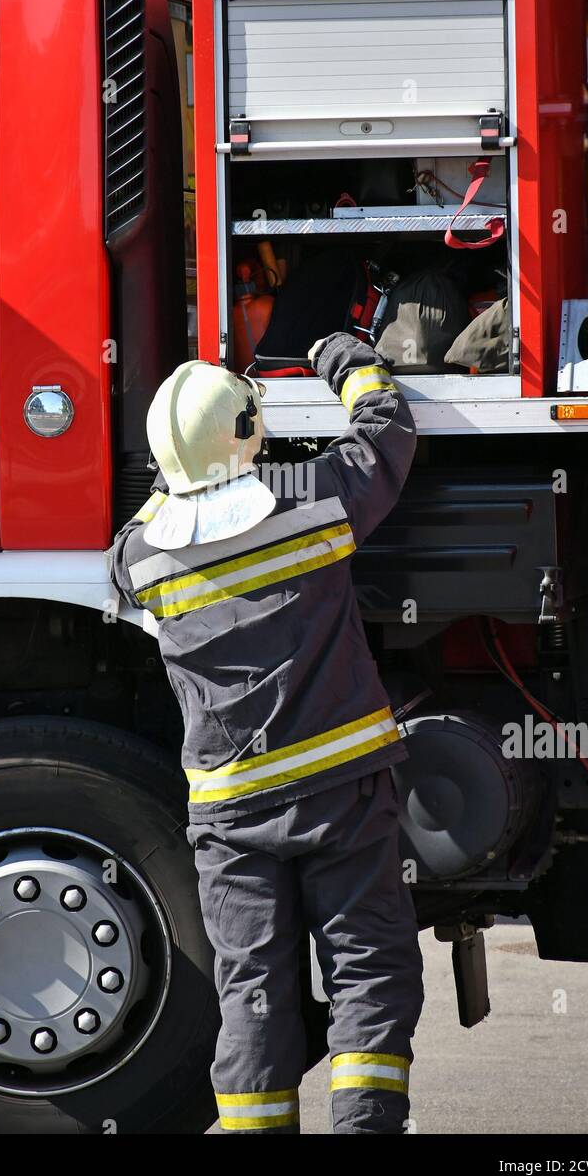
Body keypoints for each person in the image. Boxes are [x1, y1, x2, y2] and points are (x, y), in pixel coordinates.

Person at [107, 331, 424, 1134]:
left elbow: (135, 535)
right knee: (368, 970)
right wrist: (343, 358)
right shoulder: (314, 503)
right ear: (250, 433)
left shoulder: (144, 562)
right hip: (343, 796)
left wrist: (179, 475)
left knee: (250, 990)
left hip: (231, 819)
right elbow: (385, 432)